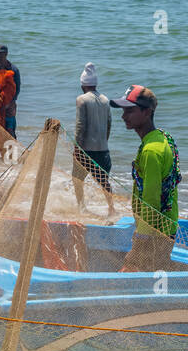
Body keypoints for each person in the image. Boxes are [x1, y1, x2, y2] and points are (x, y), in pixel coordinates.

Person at [109, 85, 179, 272]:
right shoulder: (163, 138)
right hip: (166, 226)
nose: (124, 116)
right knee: (155, 273)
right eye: (123, 111)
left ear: (147, 112)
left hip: (154, 233)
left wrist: (141, 241)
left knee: (132, 274)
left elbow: (151, 200)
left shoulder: (151, 151)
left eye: (130, 111)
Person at [72, 62, 114, 215]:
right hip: (103, 150)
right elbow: (109, 124)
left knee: (77, 179)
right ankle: (111, 208)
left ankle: (81, 207)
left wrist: (77, 148)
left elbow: (80, 125)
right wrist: (105, 142)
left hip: (86, 150)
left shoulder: (82, 99)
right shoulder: (105, 100)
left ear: (83, 84)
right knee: (104, 182)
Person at [0, 44, 21, 137]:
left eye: (0, 54)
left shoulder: (13, 69)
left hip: (10, 105)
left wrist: (10, 103)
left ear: (6, 54)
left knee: (10, 130)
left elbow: (17, 88)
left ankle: (14, 150)